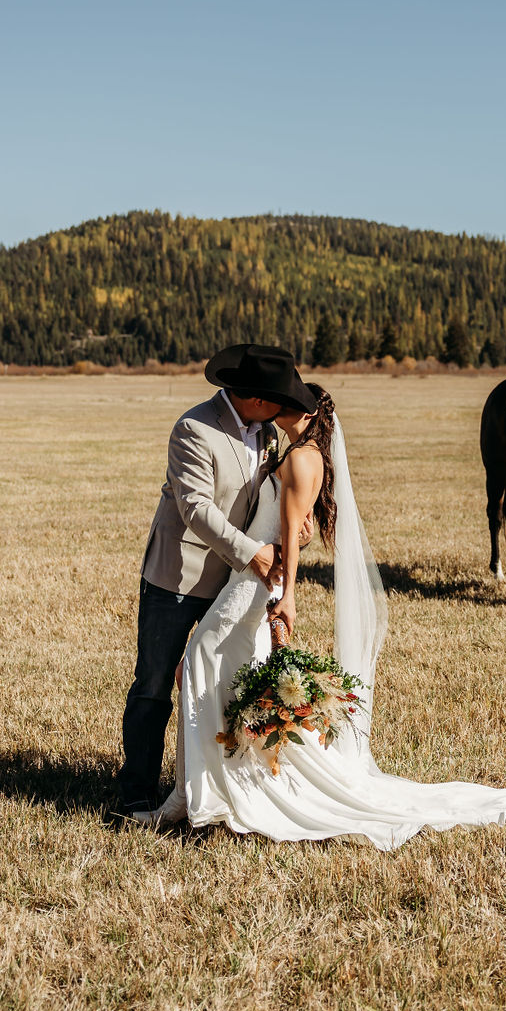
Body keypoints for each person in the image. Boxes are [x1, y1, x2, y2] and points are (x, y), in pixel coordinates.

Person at [155, 385, 506, 848]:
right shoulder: (296, 451)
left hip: (259, 580)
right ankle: (210, 787)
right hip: (252, 573)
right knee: (219, 671)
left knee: (199, 658)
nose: (274, 404)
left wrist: (288, 594)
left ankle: (190, 795)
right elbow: (293, 526)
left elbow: (293, 535)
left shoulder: (299, 458)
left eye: (285, 401)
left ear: (302, 412)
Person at [115, 343, 316, 822]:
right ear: (254, 398)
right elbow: (196, 509)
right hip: (176, 577)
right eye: (280, 399)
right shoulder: (193, 428)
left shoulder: (268, 433)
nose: (287, 409)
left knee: (219, 684)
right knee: (154, 684)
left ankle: (211, 787)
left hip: (234, 582)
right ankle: (137, 792)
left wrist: (293, 533)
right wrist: (256, 554)